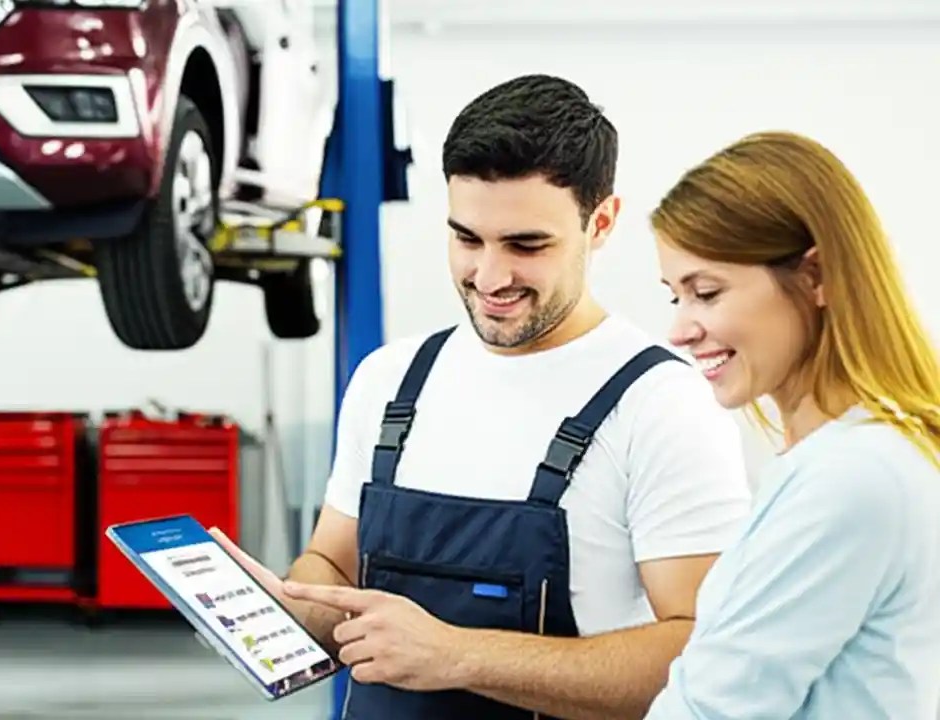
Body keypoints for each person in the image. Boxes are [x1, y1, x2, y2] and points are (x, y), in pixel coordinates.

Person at [212, 73, 753, 720]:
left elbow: (705, 655)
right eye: (467, 239)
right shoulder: (390, 382)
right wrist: (277, 612)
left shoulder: (663, 403)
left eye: (527, 245)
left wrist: (456, 655)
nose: (490, 276)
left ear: (601, 222)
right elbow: (333, 559)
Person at [640, 131, 940, 719]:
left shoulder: (851, 479)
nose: (680, 329)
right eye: (675, 297)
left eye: (706, 292)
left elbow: (711, 710)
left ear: (815, 277)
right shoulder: (871, 456)